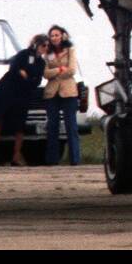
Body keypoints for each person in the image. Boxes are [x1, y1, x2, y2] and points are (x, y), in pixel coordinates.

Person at [0, 34, 48, 167]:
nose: (45, 48)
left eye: (48, 46)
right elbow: (13, 69)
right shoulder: (23, 54)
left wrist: (26, 76)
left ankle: (16, 156)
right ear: (36, 44)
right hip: (7, 90)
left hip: (23, 94)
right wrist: (24, 75)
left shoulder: (41, 63)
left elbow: (36, 81)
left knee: (20, 126)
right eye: (43, 45)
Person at [43, 25, 81, 166]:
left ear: (63, 35)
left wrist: (56, 71)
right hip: (52, 92)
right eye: (52, 36)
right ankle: (52, 159)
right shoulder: (47, 53)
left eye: (56, 35)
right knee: (52, 126)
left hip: (68, 91)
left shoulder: (70, 50)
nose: (54, 38)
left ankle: (75, 159)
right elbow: (46, 73)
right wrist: (59, 69)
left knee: (71, 126)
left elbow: (72, 70)